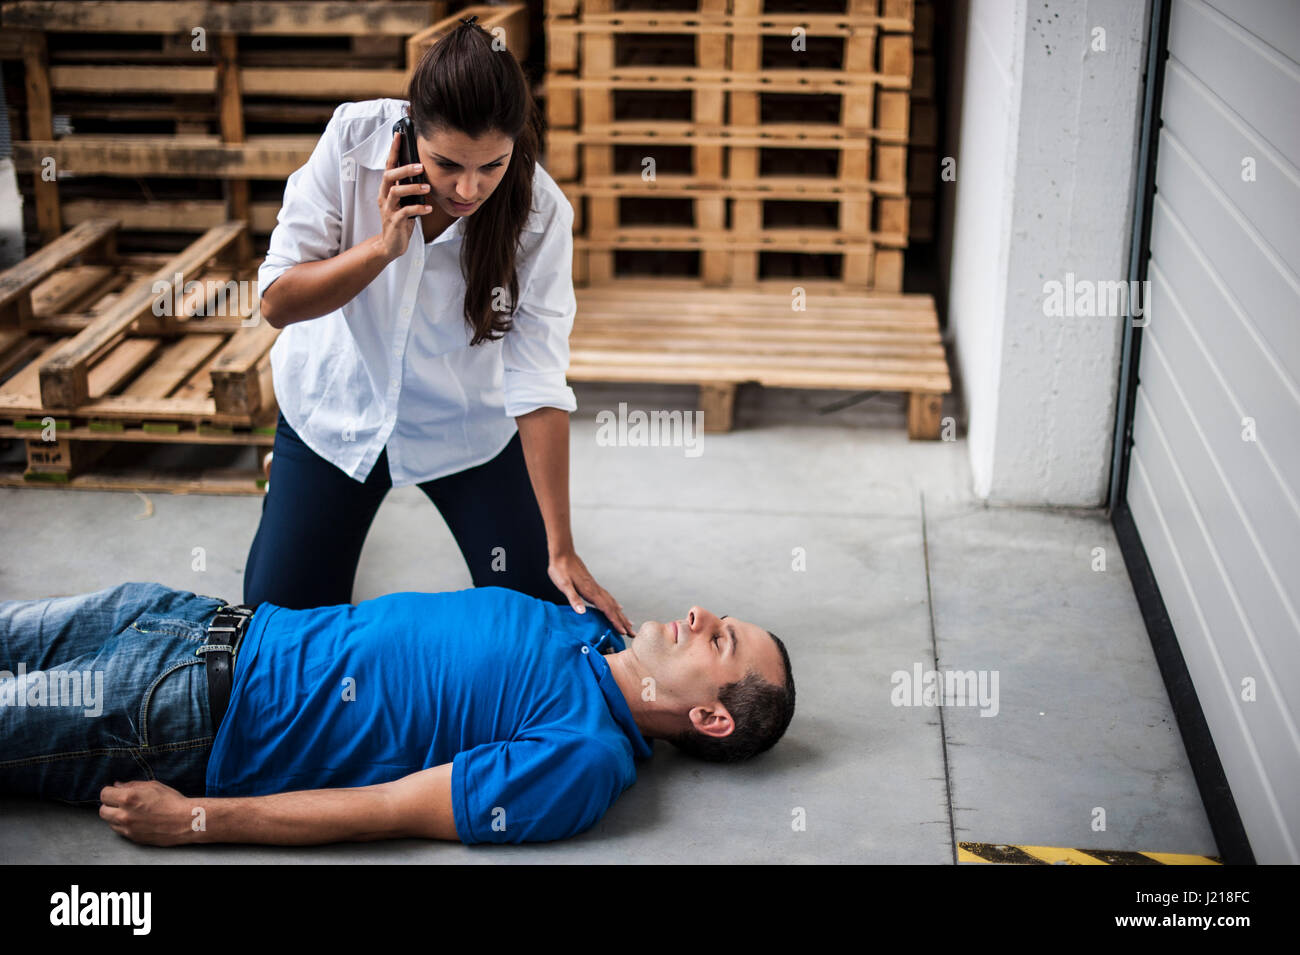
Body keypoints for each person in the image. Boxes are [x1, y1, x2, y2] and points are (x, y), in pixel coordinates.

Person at [246, 18, 633, 637]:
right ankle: (293, 494)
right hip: (335, 416)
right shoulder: (351, 140)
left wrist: (561, 547)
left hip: (466, 426)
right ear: (411, 125)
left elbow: (537, 378)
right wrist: (381, 248)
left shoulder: (541, 212)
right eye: (448, 163)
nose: (469, 187)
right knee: (276, 634)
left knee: (554, 626)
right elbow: (277, 303)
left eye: (492, 165)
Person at [0, 581, 795, 847]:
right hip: (186, 615)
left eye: (719, 639)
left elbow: (391, 808)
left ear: (712, 718)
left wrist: (200, 820)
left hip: (181, 712)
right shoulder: (591, 627)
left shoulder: (584, 757)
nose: (697, 613)